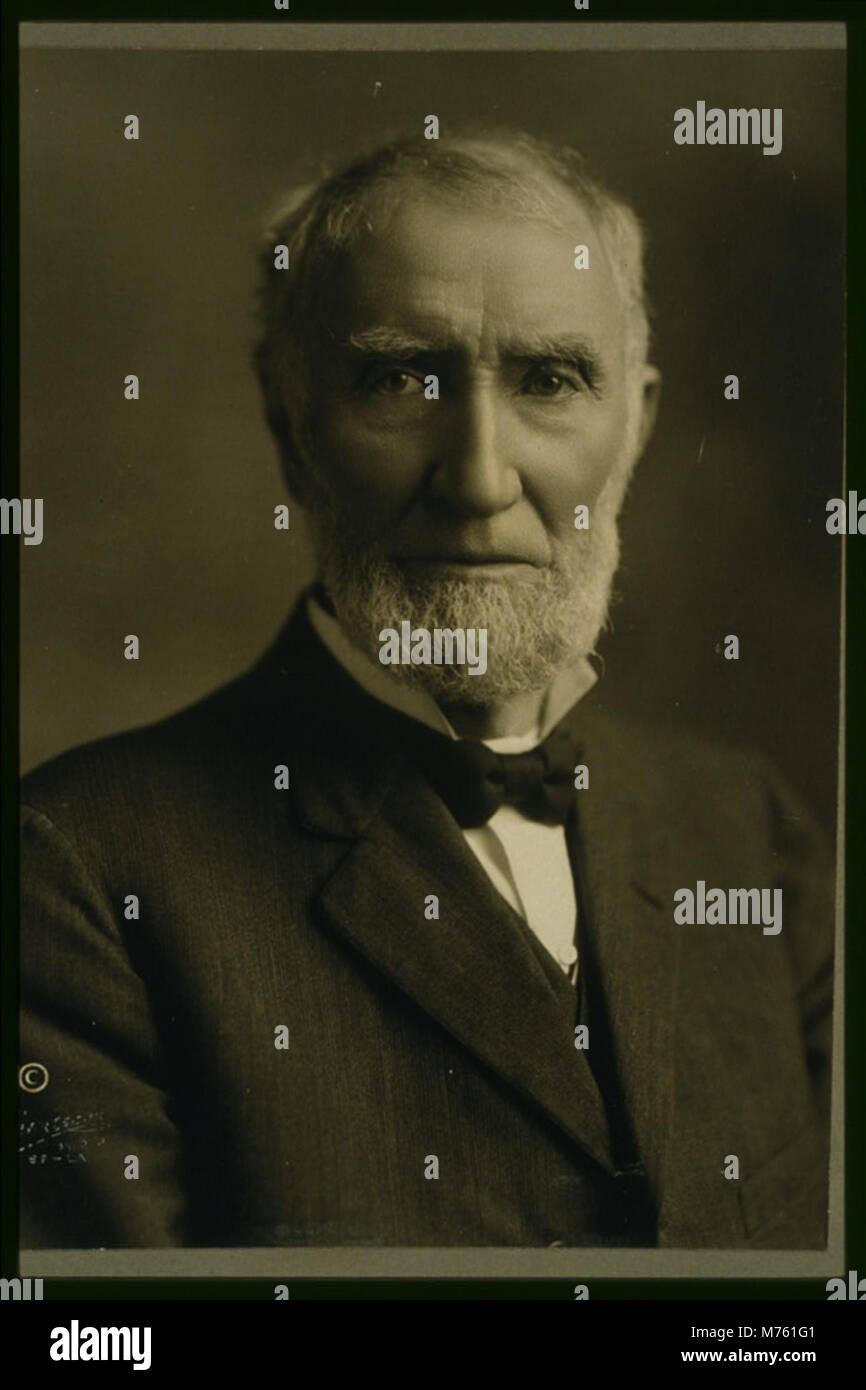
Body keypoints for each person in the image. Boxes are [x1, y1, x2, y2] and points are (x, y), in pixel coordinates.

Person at [19, 132, 833, 1250]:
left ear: (634, 423)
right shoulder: (76, 868)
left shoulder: (753, 835)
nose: (479, 476)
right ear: (289, 421)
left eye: (550, 380)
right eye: (401, 378)